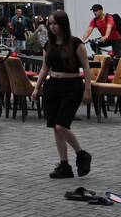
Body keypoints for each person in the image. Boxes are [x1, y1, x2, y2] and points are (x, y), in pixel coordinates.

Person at [31, 9, 93, 179]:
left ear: (63, 24)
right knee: (56, 129)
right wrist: (37, 88)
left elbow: (86, 68)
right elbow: (45, 67)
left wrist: (88, 90)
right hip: (53, 86)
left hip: (72, 86)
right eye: (50, 23)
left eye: (55, 23)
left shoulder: (76, 43)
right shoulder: (48, 46)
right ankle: (64, 165)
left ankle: (81, 154)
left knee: (61, 125)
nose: (52, 27)